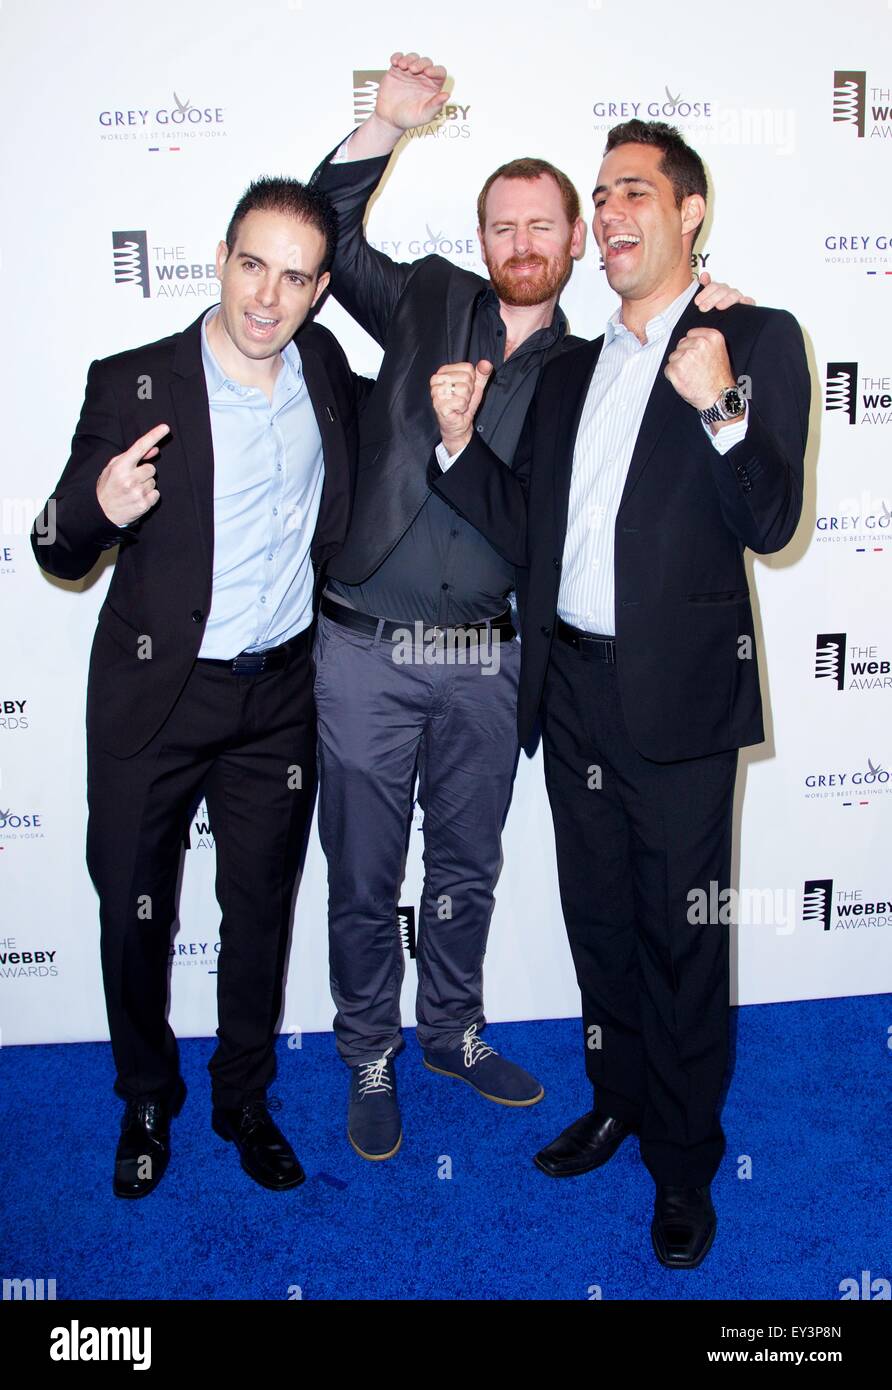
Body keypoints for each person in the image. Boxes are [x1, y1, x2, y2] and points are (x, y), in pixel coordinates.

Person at [309, 52, 747, 1163]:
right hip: (366, 642)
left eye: (545, 224)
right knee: (364, 869)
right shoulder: (422, 297)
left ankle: (451, 1028)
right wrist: (383, 126)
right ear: (482, 238)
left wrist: (724, 306)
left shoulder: (588, 369)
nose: (522, 242)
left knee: (465, 867)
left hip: (489, 662)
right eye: (501, 225)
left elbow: (694, 386)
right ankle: (367, 1048)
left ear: (575, 243)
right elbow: (324, 236)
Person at [428, 118, 810, 1267]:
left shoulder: (755, 336)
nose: (608, 215)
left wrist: (718, 401)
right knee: (599, 922)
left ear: (690, 212)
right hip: (575, 691)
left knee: (682, 937)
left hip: (682, 704)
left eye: (633, 192)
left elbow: (771, 518)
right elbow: (527, 537)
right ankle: (622, 1097)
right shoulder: (571, 372)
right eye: (600, 196)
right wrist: (457, 448)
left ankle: (685, 1161)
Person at [31, 178, 367, 1198]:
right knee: (134, 913)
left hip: (277, 700)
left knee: (259, 908)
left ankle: (243, 1095)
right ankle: (145, 1095)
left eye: (295, 276)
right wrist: (96, 503)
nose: (268, 296)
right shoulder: (134, 382)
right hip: (155, 700)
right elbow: (53, 545)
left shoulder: (323, 364)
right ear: (220, 257)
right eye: (251, 264)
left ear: (317, 292)